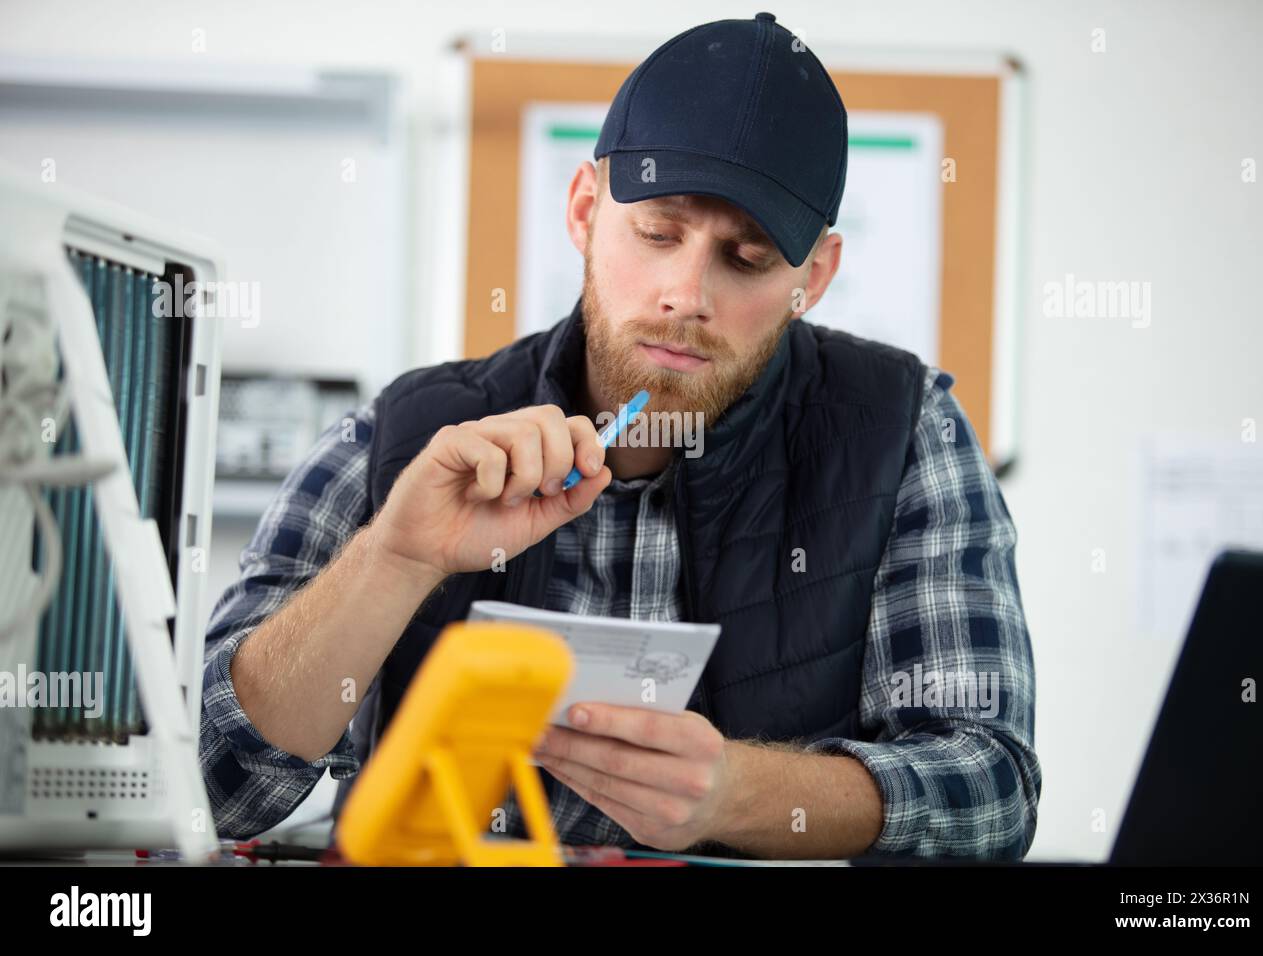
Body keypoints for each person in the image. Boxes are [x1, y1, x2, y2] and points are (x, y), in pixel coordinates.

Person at [201, 12, 1041, 860]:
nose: (686, 293)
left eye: (746, 259)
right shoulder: (407, 433)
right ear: (583, 210)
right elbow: (215, 785)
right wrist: (397, 561)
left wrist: (738, 794)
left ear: (812, 279)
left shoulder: (903, 430)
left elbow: (993, 794)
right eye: (657, 234)